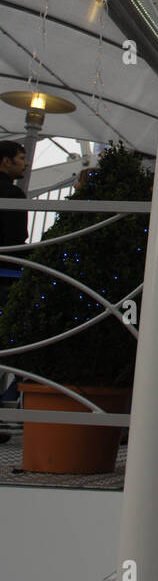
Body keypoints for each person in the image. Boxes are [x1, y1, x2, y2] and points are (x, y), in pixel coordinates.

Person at [0, 140, 29, 441]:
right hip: (5, 275)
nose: (25, 164)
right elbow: (18, 237)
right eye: (20, 158)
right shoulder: (13, 194)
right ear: (5, 162)